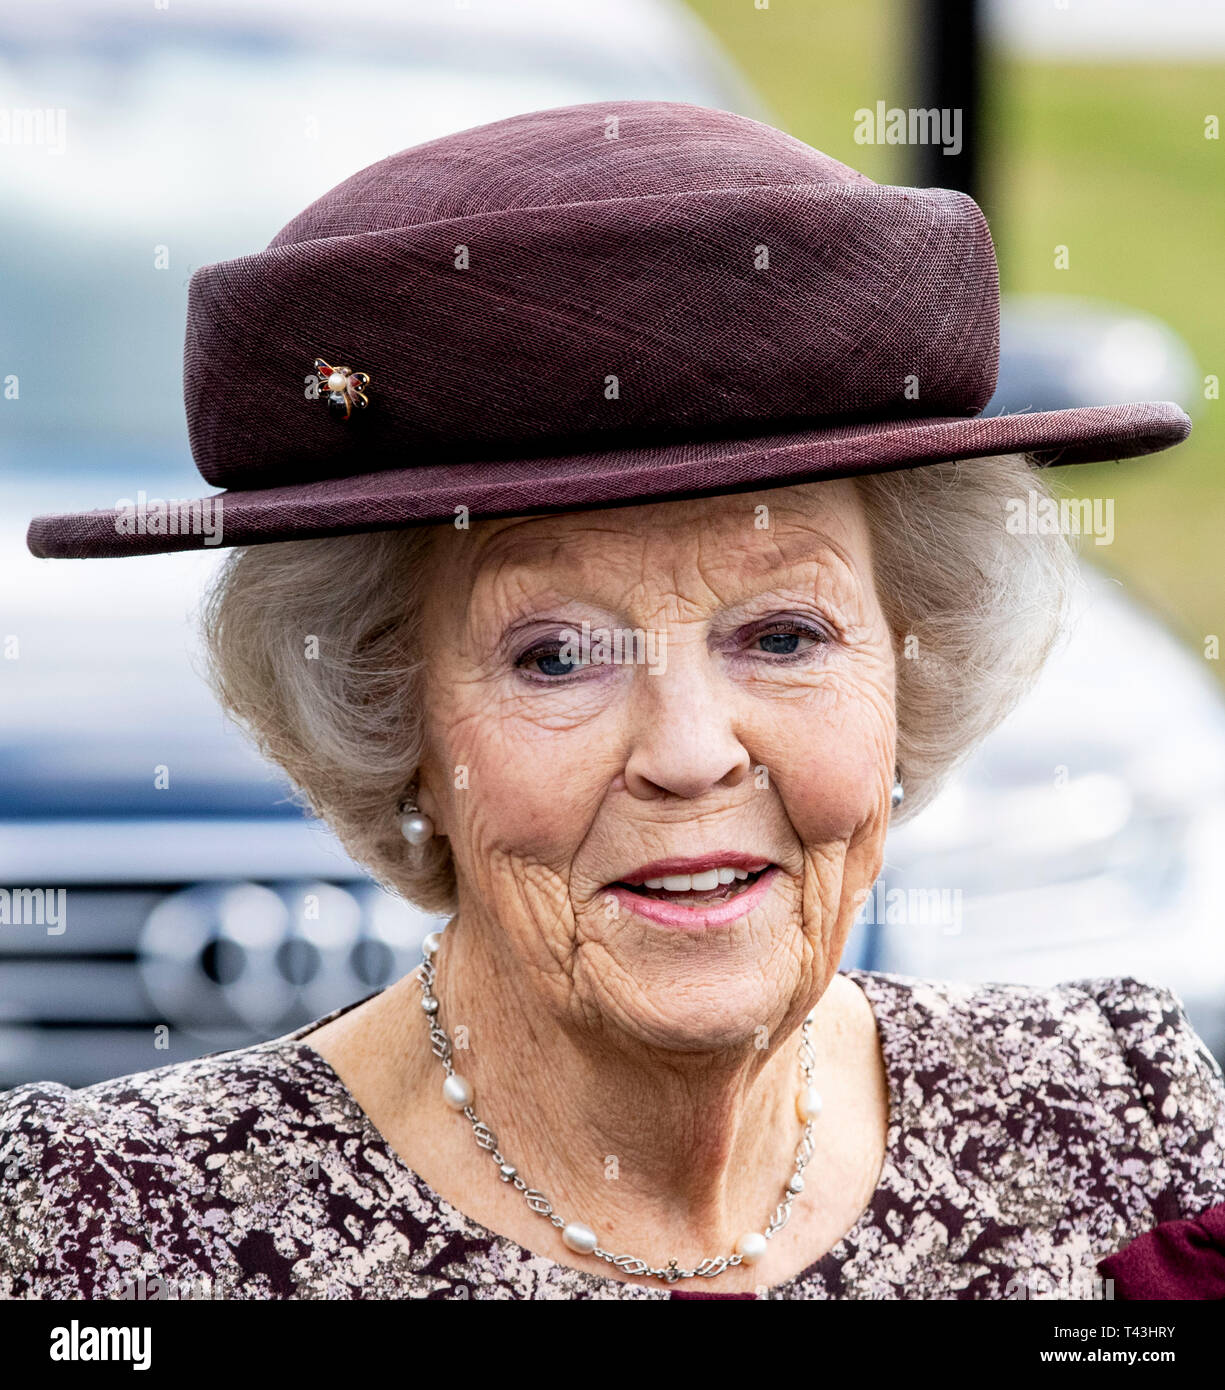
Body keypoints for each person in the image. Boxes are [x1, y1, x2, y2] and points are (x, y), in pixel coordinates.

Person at [7, 101, 1222, 1300]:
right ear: (390, 719)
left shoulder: (1113, 1120)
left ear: (912, 670)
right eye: (554, 657)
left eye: (784, 633)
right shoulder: (124, 1237)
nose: (690, 755)